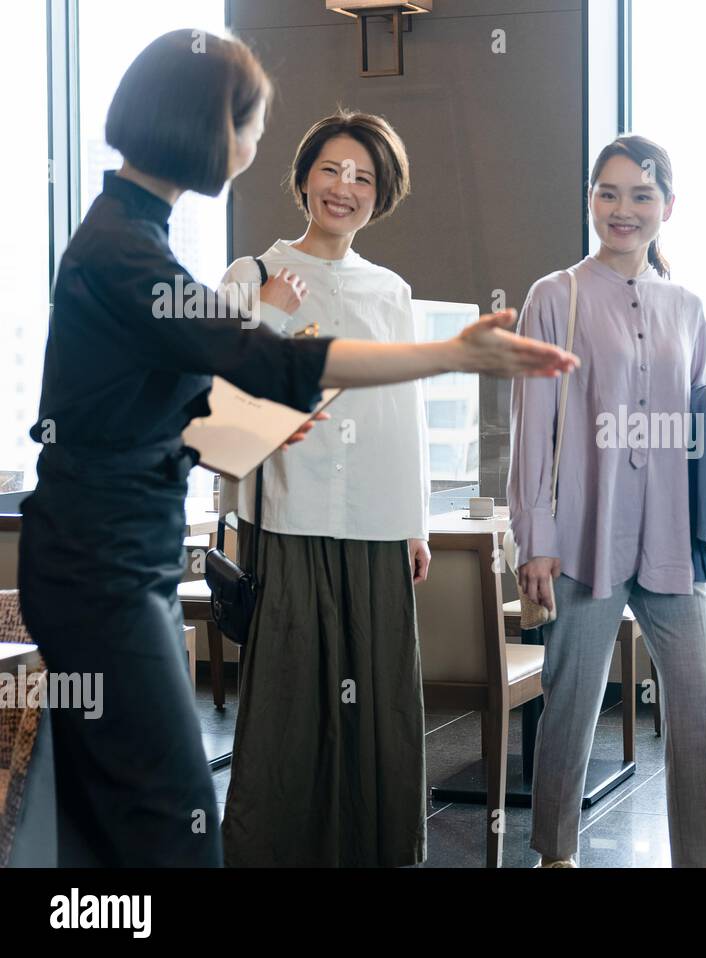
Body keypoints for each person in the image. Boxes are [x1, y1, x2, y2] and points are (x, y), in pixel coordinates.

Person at [18, 29, 575, 867]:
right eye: (248, 123)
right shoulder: (132, 253)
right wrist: (455, 351)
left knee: (129, 807)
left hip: (116, 556)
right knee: (162, 809)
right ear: (199, 126)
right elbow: (264, 361)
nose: (250, 146)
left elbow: (181, 401)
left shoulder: (136, 237)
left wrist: (260, 418)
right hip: (102, 563)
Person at [508, 134, 706, 867]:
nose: (623, 209)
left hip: (670, 536)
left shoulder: (687, 306)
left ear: (668, 207)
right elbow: (534, 425)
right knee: (569, 706)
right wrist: (535, 537)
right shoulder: (552, 296)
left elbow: (689, 420)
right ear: (592, 199)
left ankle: (700, 859)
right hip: (583, 536)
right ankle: (555, 853)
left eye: (641, 194)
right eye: (609, 192)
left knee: (694, 717)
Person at [219, 110, 433, 867]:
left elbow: (404, 412)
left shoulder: (391, 291)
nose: (344, 188)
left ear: (383, 194)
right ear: (305, 176)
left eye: (363, 177)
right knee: (287, 700)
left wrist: (416, 524)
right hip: (289, 513)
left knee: (377, 700)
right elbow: (221, 398)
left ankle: (377, 851)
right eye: (332, 171)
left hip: (377, 519)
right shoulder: (254, 276)